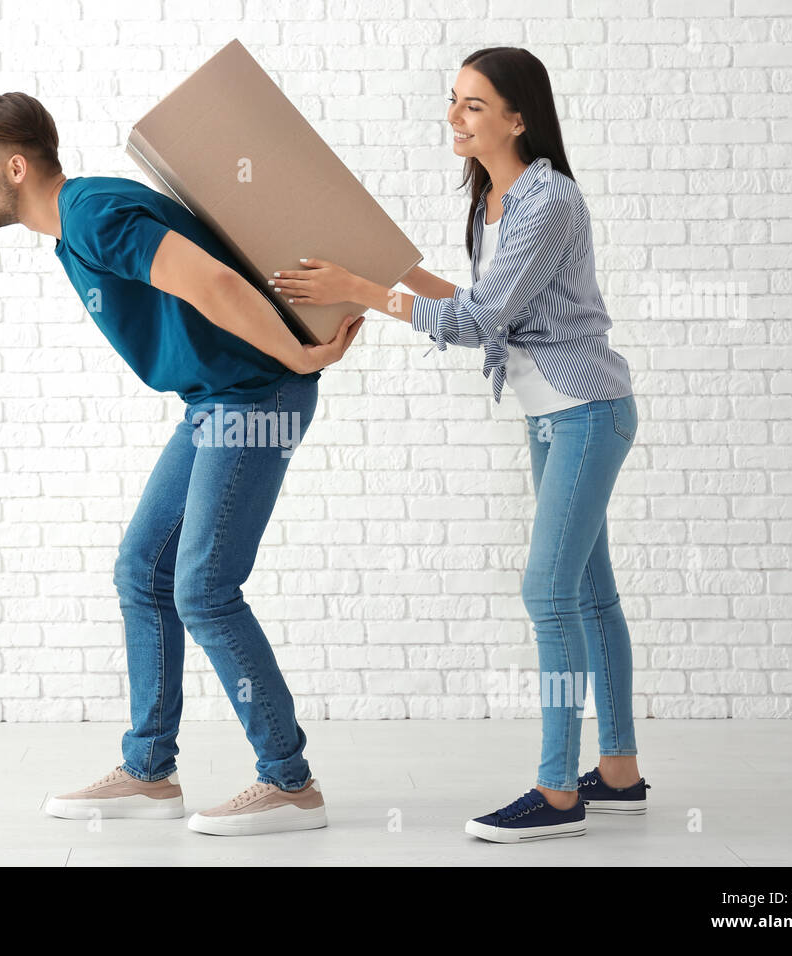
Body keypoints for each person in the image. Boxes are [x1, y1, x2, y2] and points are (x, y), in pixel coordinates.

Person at [0, 92, 364, 836]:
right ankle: (149, 770)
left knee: (204, 588)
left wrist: (296, 354)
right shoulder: (76, 226)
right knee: (142, 569)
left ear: (15, 166)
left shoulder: (90, 215)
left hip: (254, 394)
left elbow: (210, 281)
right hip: (216, 401)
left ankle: (289, 781)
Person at [267, 48, 649, 843]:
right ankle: (616, 775)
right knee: (588, 595)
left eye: (473, 105)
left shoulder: (547, 201)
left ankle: (556, 795)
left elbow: (478, 323)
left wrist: (364, 291)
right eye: (454, 101)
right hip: (556, 414)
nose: (454, 116)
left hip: (586, 409)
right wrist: (387, 268)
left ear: (519, 118)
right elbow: (480, 302)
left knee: (549, 595)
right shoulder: (493, 201)